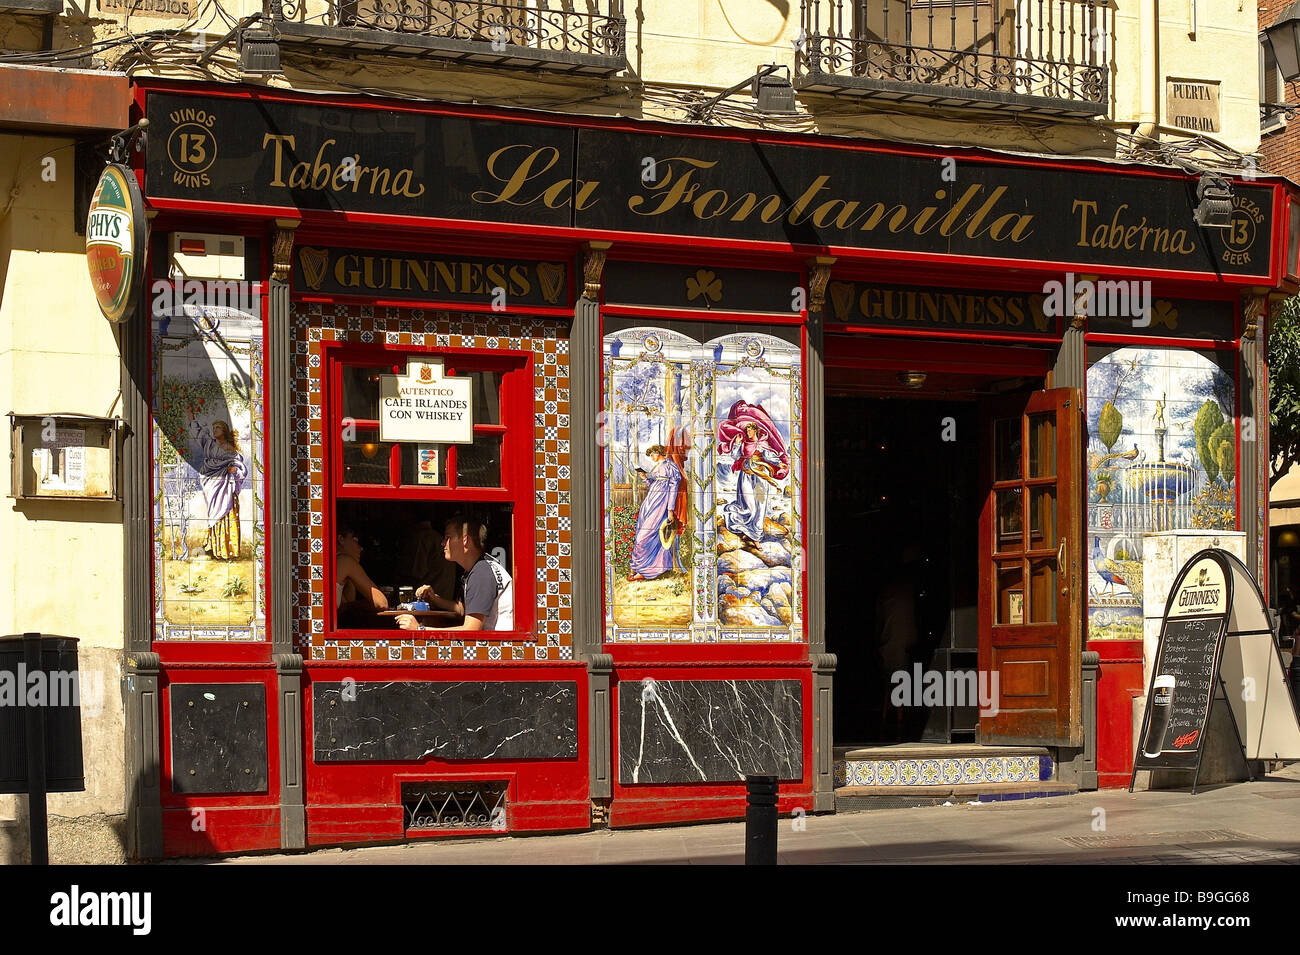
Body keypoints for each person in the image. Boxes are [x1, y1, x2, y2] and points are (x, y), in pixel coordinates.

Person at [397, 516, 513, 632]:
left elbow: (471, 630)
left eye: (448, 537)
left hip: (499, 646)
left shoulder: (481, 573)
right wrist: (435, 599)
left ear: (465, 540)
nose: (443, 543)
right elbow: (464, 610)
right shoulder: (481, 567)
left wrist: (419, 629)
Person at [716, 400, 789, 545]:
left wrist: (778, 463)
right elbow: (735, 457)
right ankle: (747, 530)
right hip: (746, 476)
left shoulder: (763, 443)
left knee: (760, 507)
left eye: (750, 430)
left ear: (755, 430)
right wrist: (736, 445)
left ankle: (755, 536)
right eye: (747, 431)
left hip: (760, 478)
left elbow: (770, 457)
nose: (748, 433)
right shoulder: (743, 443)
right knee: (748, 506)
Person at [189, 412, 247, 560]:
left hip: (226, 487)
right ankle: (214, 548)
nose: (214, 430)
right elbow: (199, 434)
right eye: (213, 428)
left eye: (218, 428)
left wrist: (234, 470)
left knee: (227, 515)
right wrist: (191, 417)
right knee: (214, 516)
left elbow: (240, 467)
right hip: (212, 485)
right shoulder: (209, 443)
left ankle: (228, 551)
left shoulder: (230, 449)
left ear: (225, 431)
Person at [627, 445, 683, 581]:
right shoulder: (657, 467)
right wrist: (645, 477)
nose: (652, 457)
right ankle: (637, 568)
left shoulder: (670, 466)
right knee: (643, 532)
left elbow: (673, 489)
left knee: (645, 536)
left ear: (659, 452)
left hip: (661, 504)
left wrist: (670, 510)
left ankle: (645, 571)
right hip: (650, 503)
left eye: (653, 454)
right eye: (650, 455)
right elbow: (654, 485)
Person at [336, 523, 389, 626]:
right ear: (341, 539)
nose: (361, 548)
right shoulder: (344, 560)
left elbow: (346, 605)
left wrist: (350, 576)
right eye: (355, 541)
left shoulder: (333, 562)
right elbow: (382, 603)